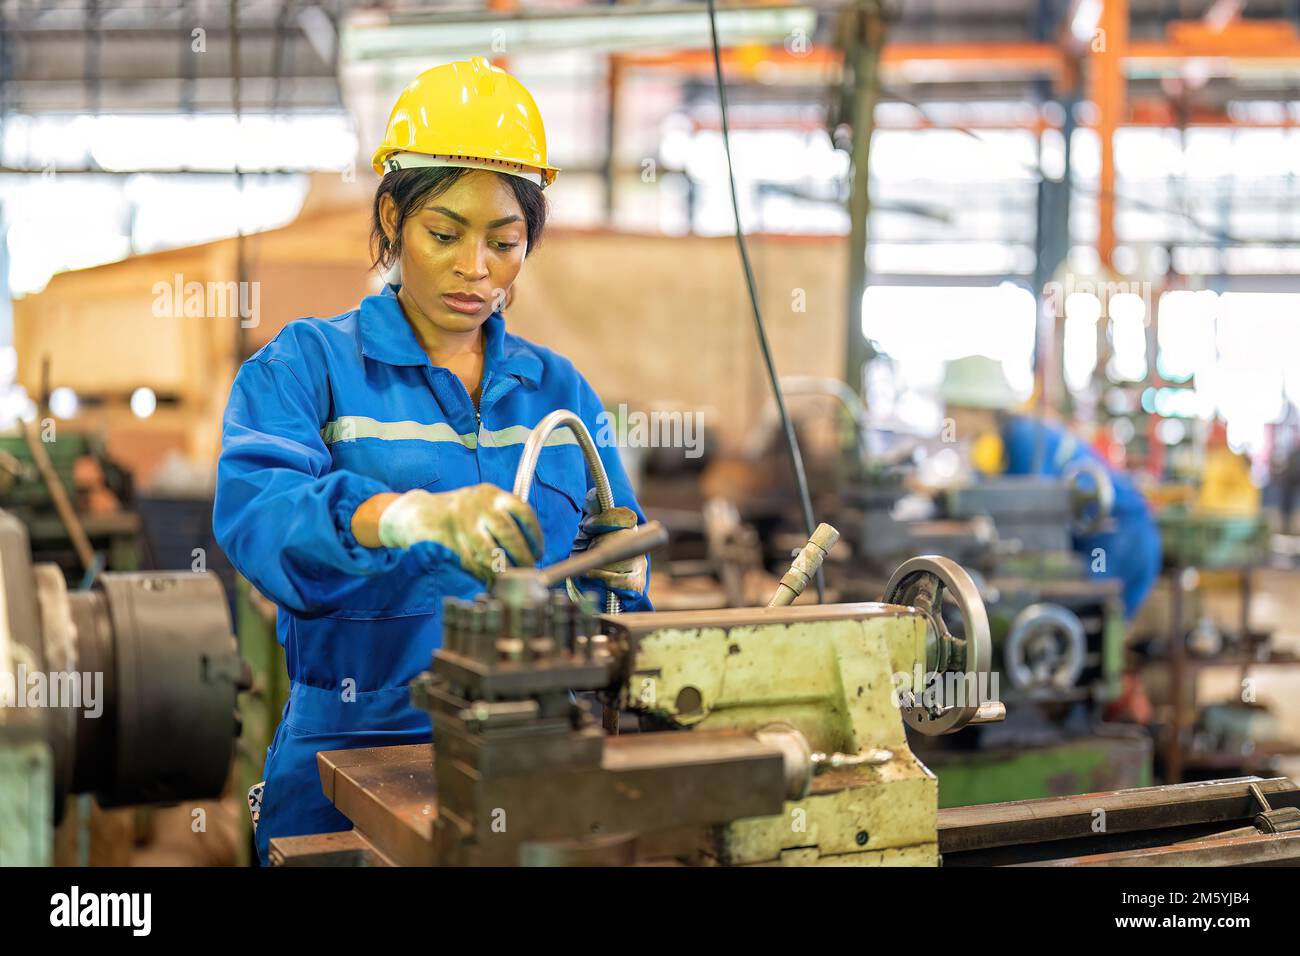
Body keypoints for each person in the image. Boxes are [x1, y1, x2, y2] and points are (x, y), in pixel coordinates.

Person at [214, 57, 652, 864]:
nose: (475, 268)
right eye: (444, 234)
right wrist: (404, 516)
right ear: (393, 217)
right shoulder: (306, 368)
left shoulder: (558, 395)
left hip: (528, 760)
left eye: (505, 241)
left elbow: (617, 572)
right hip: (344, 756)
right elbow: (261, 518)